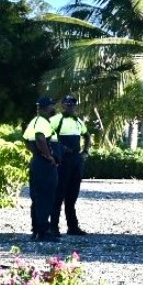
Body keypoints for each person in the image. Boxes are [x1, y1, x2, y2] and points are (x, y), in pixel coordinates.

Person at [49, 94, 91, 236]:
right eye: (67, 104)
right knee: (58, 194)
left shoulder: (78, 121)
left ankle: (72, 227)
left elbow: (87, 135)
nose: (70, 106)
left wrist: (85, 151)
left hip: (76, 160)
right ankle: (53, 227)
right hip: (62, 160)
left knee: (72, 195)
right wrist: (58, 148)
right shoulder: (56, 119)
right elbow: (45, 136)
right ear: (62, 105)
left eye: (72, 104)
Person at [23, 97, 60, 242]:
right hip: (44, 165)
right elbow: (39, 138)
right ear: (45, 108)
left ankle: (37, 229)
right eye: (51, 106)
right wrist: (48, 156)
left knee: (37, 197)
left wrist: (36, 153)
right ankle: (43, 231)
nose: (53, 108)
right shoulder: (42, 122)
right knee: (46, 197)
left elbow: (27, 140)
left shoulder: (34, 121)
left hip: (37, 162)